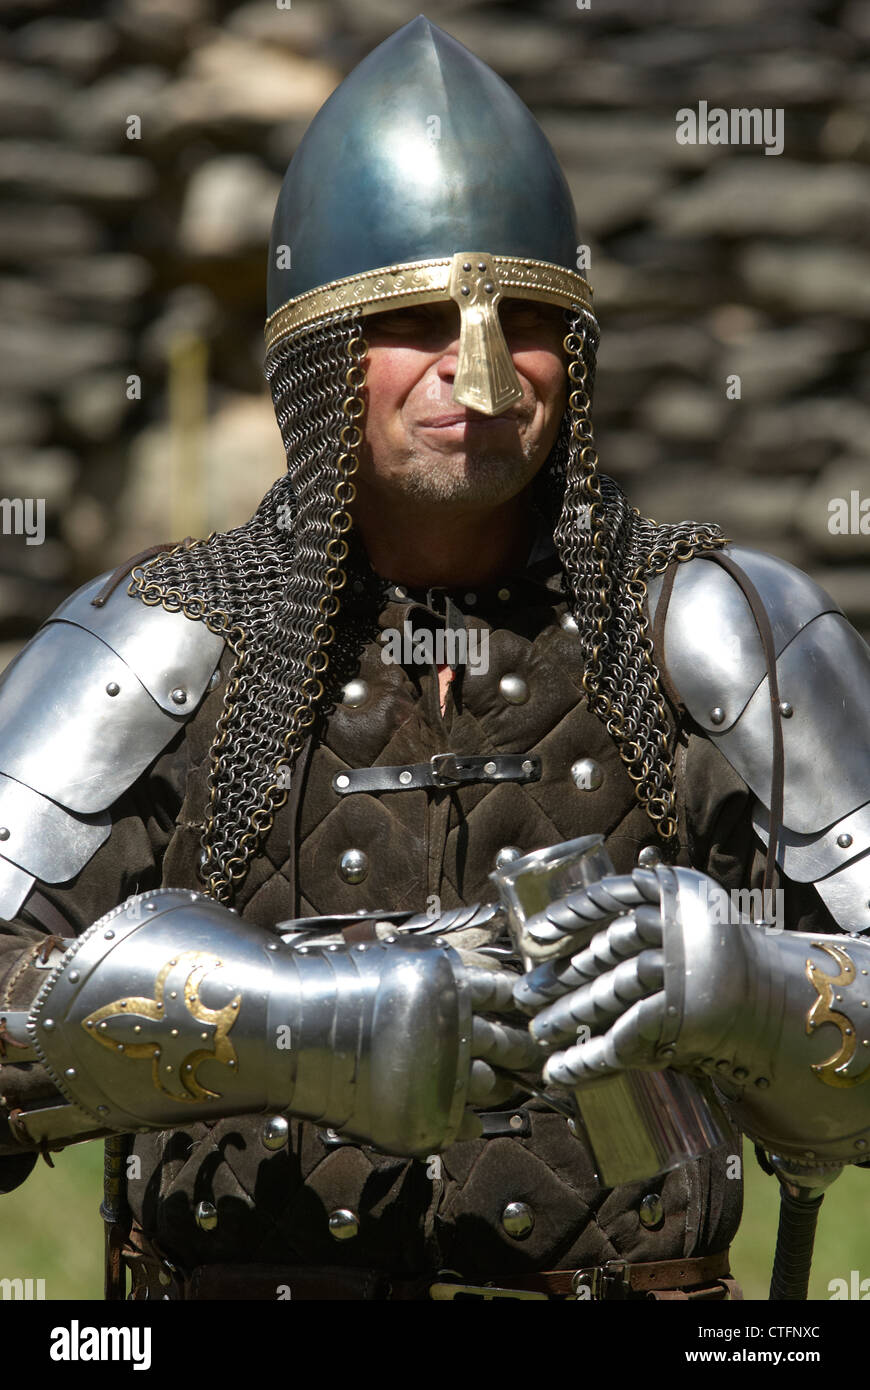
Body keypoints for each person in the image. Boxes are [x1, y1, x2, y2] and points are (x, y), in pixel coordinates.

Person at [0, 17, 868, 1303]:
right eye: (412, 317)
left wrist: (741, 983)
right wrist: (302, 1028)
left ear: (572, 355)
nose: (476, 370)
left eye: (520, 319)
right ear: (317, 353)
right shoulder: (171, 636)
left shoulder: (718, 628)